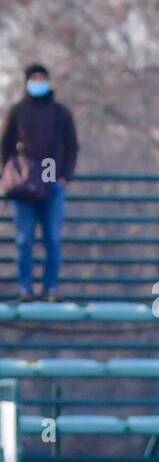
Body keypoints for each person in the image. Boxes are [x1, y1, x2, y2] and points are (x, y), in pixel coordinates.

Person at [1, 63, 78, 302]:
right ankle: (26, 288)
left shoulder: (60, 112)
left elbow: (71, 145)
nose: (38, 82)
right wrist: (9, 173)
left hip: (50, 176)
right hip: (24, 183)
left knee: (52, 238)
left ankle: (50, 288)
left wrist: (65, 176)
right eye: (34, 78)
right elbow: (5, 145)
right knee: (24, 240)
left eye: (42, 78)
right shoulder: (17, 111)